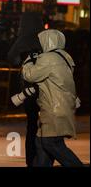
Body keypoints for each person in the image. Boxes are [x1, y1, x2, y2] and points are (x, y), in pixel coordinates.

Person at [22, 29, 83, 167]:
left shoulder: (49, 58)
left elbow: (30, 75)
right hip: (63, 106)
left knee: (51, 143)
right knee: (41, 143)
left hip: (53, 108)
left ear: (47, 41)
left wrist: (28, 61)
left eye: (41, 41)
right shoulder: (65, 57)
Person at [7, 12, 43, 167]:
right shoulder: (43, 39)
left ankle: (31, 159)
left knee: (32, 125)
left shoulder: (22, 40)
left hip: (28, 90)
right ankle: (45, 157)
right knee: (47, 127)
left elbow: (11, 57)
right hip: (45, 88)